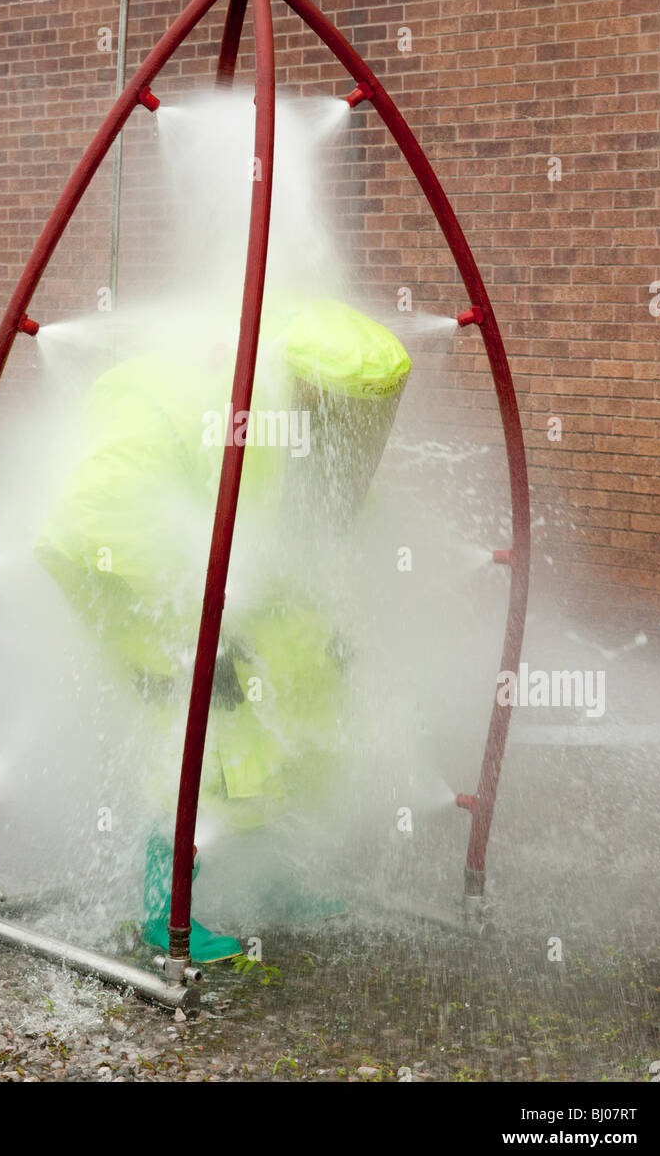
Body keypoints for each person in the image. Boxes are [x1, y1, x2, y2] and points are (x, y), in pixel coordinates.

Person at [35, 295, 410, 961]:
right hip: (117, 575)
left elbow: (293, 542)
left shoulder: (284, 427)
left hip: (197, 578)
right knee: (207, 738)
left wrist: (328, 632)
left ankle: (275, 883)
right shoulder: (199, 413)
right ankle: (158, 913)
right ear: (298, 384)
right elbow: (106, 519)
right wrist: (198, 634)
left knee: (295, 701)